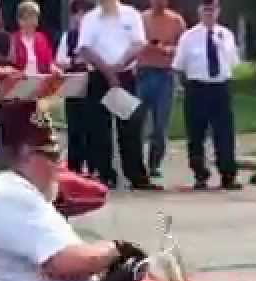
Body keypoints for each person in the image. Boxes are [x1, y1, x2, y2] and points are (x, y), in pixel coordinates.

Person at [0, 104, 142, 281]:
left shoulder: (11, 191)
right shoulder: (8, 192)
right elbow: (67, 262)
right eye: (52, 156)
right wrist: (117, 248)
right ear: (27, 154)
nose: (57, 166)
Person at [77, 0, 157, 191]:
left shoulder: (131, 15)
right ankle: (104, 175)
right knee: (99, 129)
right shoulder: (90, 19)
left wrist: (119, 65)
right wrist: (107, 71)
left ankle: (136, 176)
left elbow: (138, 44)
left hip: (124, 77)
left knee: (130, 127)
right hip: (99, 78)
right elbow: (85, 49)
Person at [172, 0, 241, 191]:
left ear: (218, 12)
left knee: (224, 133)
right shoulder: (188, 37)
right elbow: (178, 66)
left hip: (220, 87)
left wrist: (219, 44)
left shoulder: (226, 35)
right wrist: (180, 87)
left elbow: (233, 62)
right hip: (197, 87)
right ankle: (200, 173)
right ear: (200, 11)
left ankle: (228, 175)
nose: (209, 14)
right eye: (206, 10)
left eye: (213, 10)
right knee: (196, 133)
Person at [136, 0, 185, 179]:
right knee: (138, 121)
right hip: (143, 73)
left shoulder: (176, 21)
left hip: (165, 74)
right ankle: (136, 164)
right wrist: (147, 46)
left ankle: (154, 163)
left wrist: (168, 49)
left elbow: (183, 47)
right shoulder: (141, 19)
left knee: (160, 123)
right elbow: (133, 43)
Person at [56, 0, 94, 177]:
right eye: (79, 13)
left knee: (93, 127)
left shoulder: (96, 36)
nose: (82, 17)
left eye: (85, 13)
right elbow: (60, 60)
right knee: (75, 127)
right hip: (73, 84)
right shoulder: (69, 36)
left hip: (94, 84)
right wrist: (73, 61)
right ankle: (75, 166)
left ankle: (94, 165)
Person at [10, 1, 53, 76]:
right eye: (27, 17)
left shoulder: (42, 38)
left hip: (39, 82)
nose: (31, 21)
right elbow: (9, 66)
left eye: (35, 17)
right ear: (19, 20)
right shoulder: (12, 39)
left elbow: (49, 63)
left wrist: (55, 70)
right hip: (18, 83)